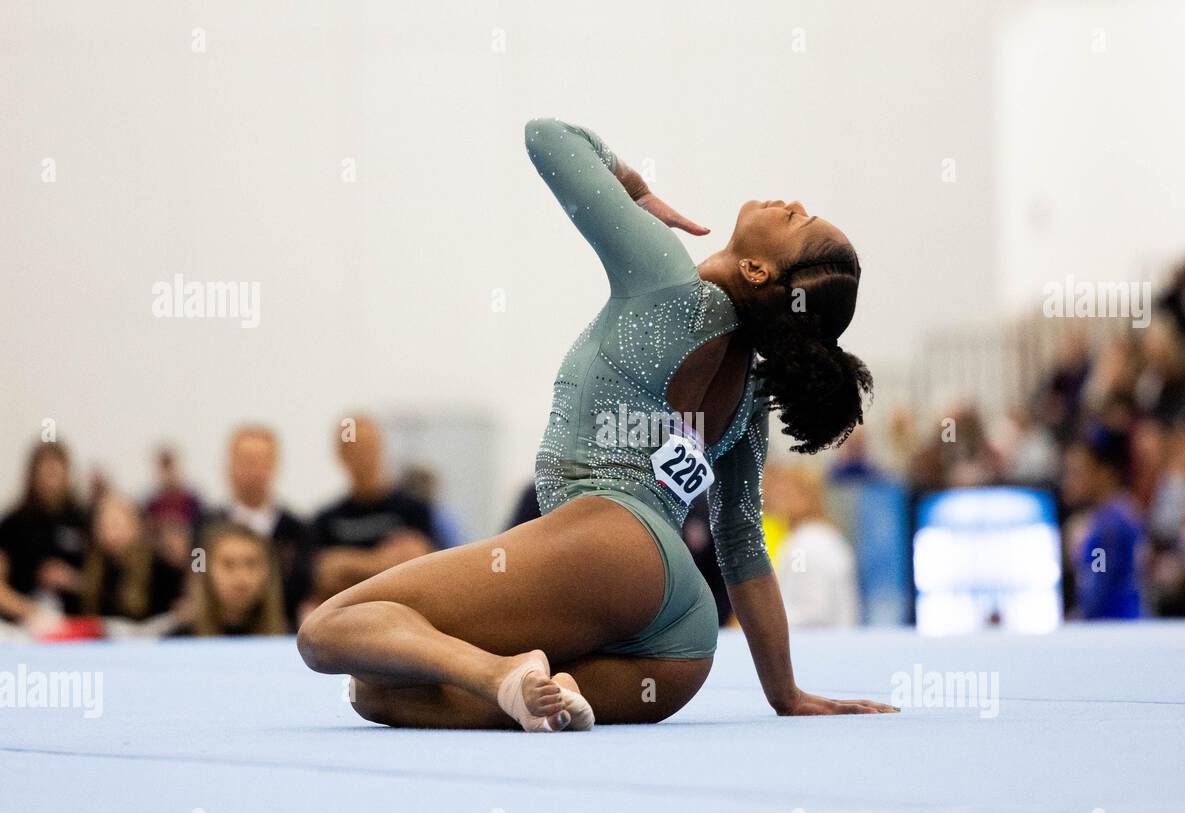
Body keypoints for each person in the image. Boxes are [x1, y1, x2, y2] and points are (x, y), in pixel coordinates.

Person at [297, 117, 895, 730]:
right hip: (680, 643)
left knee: (330, 630)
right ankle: (522, 684)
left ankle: (500, 673)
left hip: (607, 544)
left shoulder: (668, 280)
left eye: (797, 220)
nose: (790, 203)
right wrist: (785, 692)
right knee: (381, 692)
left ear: (757, 272)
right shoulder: (748, 400)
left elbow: (547, 137)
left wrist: (633, 191)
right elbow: (742, 549)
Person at [304, 415, 437, 605]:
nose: (364, 457)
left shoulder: (415, 510)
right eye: (355, 449)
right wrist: (386, 562)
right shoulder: (325, 519)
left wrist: (348, 563)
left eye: (369, 447)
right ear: (341, 455)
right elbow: (325, 576)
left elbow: (422, 568)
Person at [206, 425, 310, 619]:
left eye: (262, 461)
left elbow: (304, 586)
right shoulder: (206, 527)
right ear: (229, 466)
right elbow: (196, 578)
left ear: (275, 465)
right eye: (245, 461)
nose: (253, 470)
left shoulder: (298, 531)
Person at [1062, 426, 1145, 620]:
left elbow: (1098, 580)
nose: (1070, 481)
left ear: (1104, 473)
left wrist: (1077, 617)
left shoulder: (1110, 526)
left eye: (1078, 472)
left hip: (1116, 626)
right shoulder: (1114, 514)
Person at [0, 442, 88, 622]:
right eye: (46, 472)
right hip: (24, 623)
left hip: (77, 623)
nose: (51, 479)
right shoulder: (13, 523)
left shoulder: (84, 519)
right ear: (33, 474)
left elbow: (104, 580)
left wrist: (72, 580)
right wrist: (27, 610)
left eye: (56, 472)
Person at [766, 466, 860, 628]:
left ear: (803, 497)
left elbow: (811, 610)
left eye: (784, 493)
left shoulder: (804, 546)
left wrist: (761, 621)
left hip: (820, 645)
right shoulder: (821, 538)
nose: (776, 499)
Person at [81, 492, 184, 621]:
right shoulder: (94, 565)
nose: (110, 533)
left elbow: (198, 556)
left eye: (116, 525)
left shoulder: (157, 562)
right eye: (104, 526)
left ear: (134, 525)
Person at [173, 522, 288, 637]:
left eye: (251, 564)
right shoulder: (178, 640)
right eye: (228, 564)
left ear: (268, 571)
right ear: (207, 572)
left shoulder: (291, 640)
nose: (241, 576)